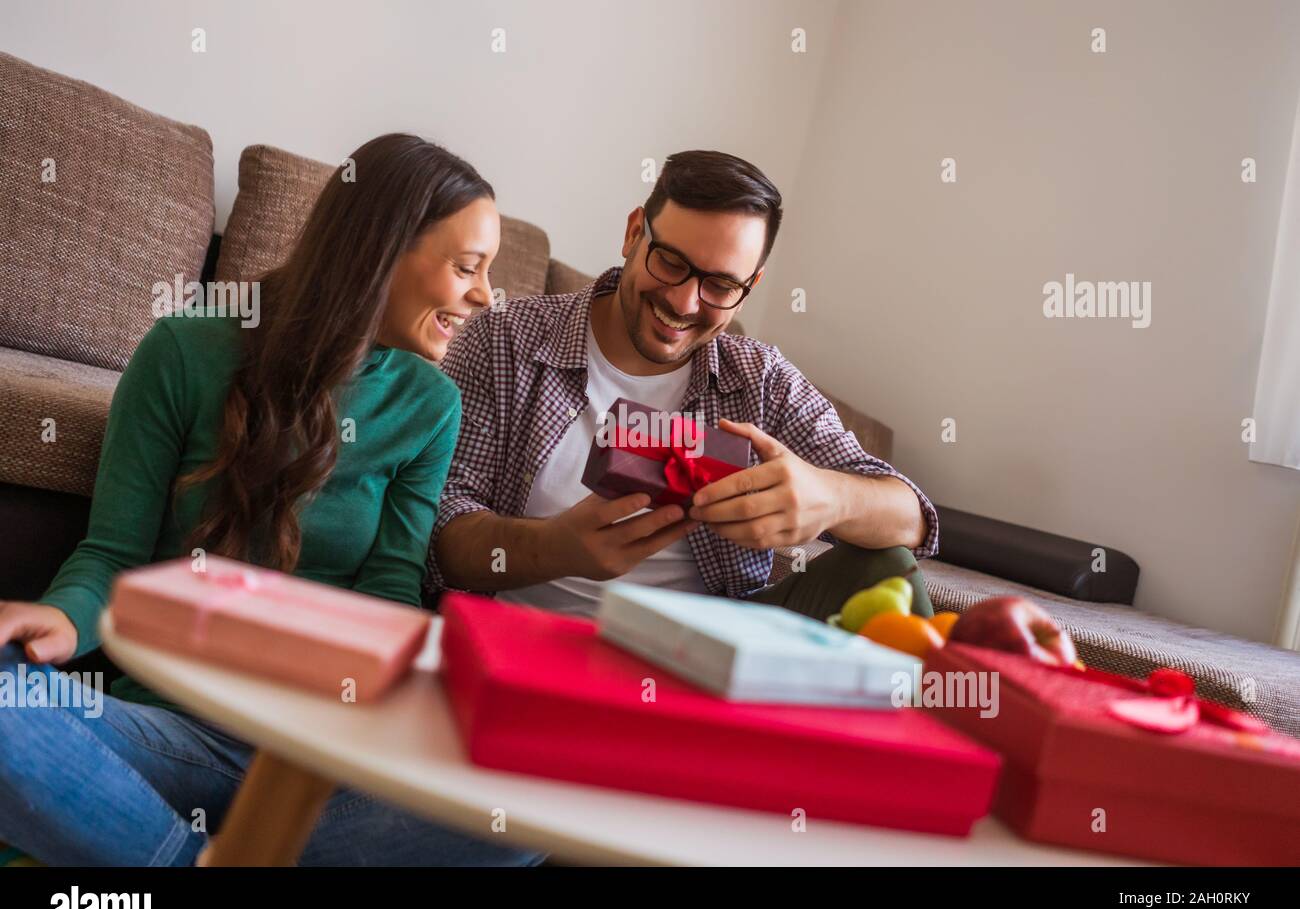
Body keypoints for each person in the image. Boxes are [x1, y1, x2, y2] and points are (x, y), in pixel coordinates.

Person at [0, 133, 543, 866]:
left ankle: (155, 848)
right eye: (468, 267)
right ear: (384, 251)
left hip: (322, 763)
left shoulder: (430, 405)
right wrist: (64, 617)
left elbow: (389, 590)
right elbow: (113, 553)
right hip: (168, 734)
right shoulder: (185, 350)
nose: (484, 295)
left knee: (527, 806)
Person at [427, 149, 938, 621]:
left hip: (707, 655)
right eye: (670, 262)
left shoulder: (760, 379)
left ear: (749, 288)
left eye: (720, 285)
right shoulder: (506, 337)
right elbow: (438, 531)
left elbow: (914, 519)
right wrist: (553, 549)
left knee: (886, 567)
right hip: (526, 635)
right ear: (633, 233)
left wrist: (830, 497)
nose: (684, 302)